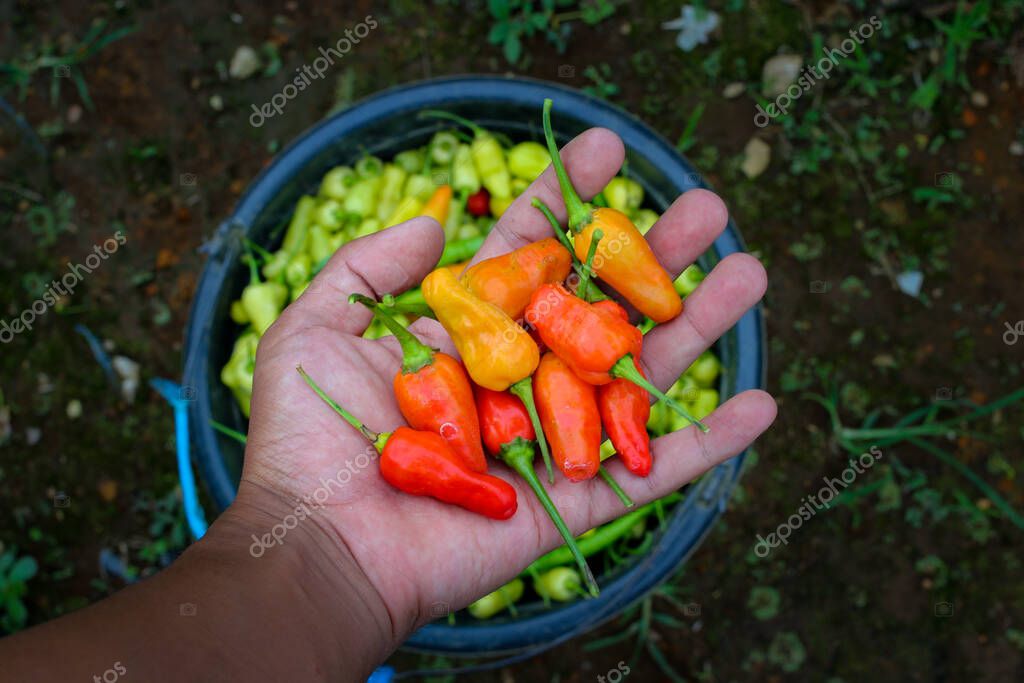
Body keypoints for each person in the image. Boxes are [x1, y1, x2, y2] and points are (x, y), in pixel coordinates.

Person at [0, 126, 775, 682]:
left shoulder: (509, 344)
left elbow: (533, 353)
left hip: (514, 388)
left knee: (578, 363)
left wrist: (311, 547)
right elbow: (500, 377)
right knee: (543, 367)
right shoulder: (459, 376)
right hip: (496, 403)